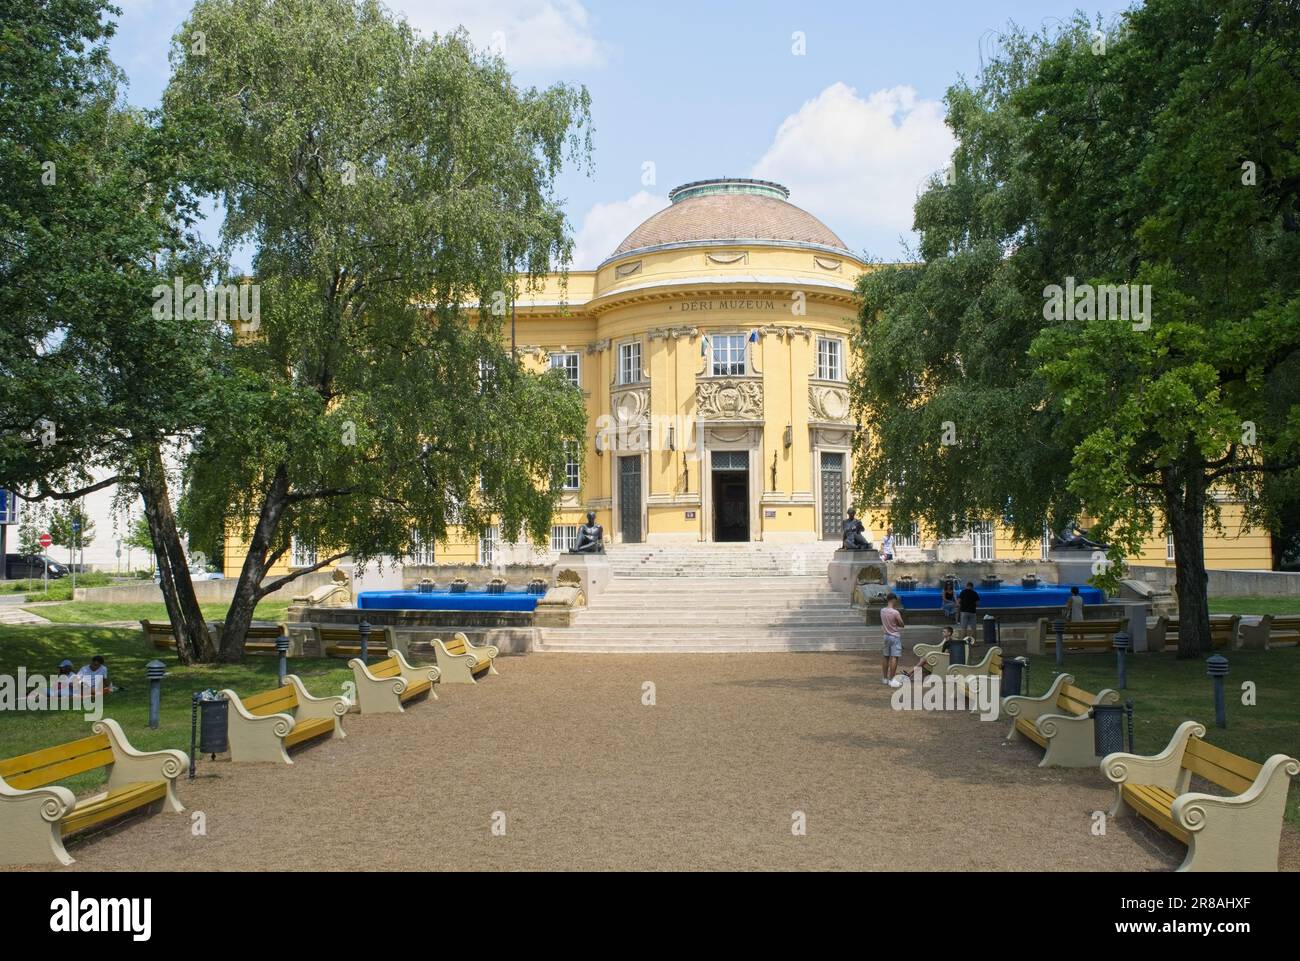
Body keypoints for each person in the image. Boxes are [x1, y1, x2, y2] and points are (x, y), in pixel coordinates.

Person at [880, 593, 904, 688]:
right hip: (894, 636)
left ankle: (885, 678)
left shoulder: (882, 611)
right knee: (894, 657)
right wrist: (897, 624)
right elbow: (901, 624)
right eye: (896, 600)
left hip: (886, 635)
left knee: (885, 656)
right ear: (893, 600)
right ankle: (892, 679)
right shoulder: (895, 612)